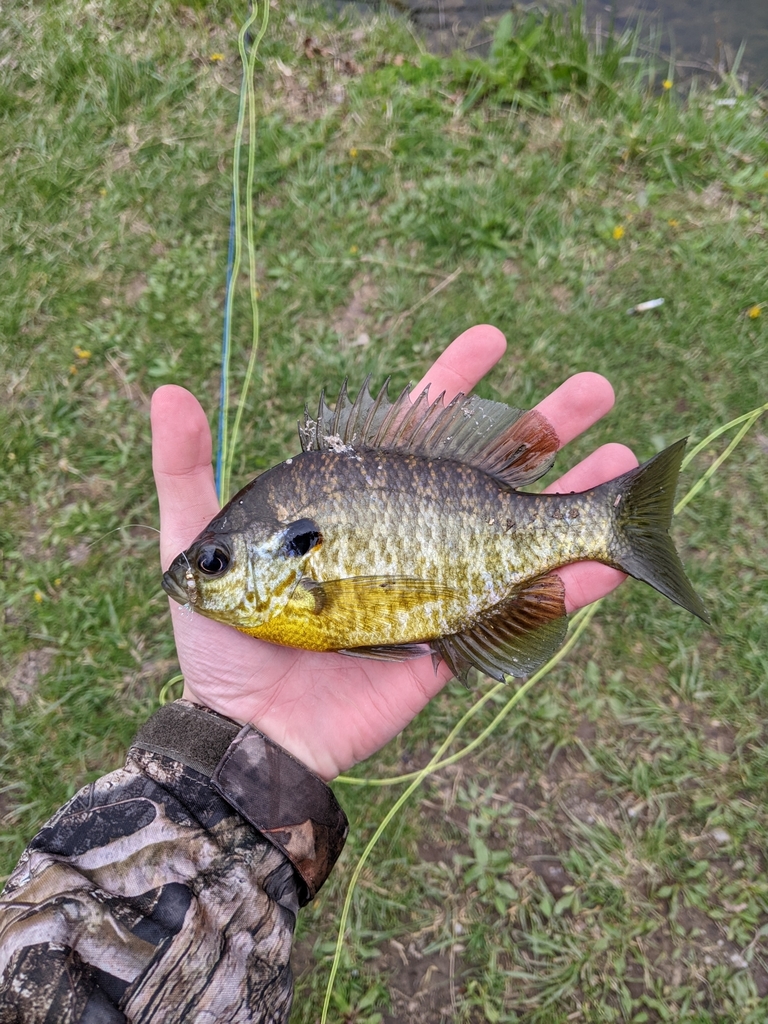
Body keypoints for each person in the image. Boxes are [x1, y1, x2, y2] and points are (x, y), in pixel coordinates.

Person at [0, 326, 634, 1022]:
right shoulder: (291, 586)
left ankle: (617, 523)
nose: (193, 576)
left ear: (288, 551)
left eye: (215, 563)